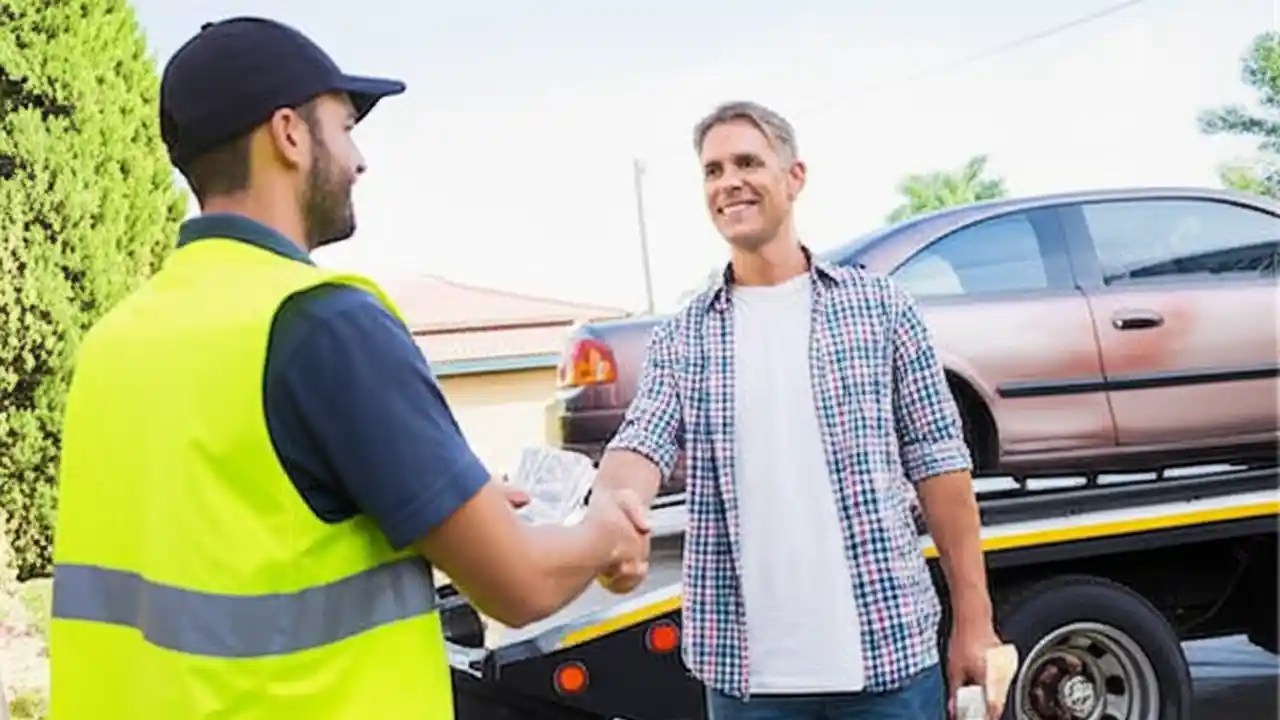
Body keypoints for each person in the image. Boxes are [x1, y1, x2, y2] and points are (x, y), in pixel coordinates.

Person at [47, 16, 648, 719]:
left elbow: (224, 530)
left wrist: (446, 498)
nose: (360, 159)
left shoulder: (116, 341)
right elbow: (518, 585)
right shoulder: (322, 323)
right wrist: (607, 526)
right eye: (345, 125)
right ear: (289, 135)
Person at [589, 100, 1006, 720]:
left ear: (794, 177)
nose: (728, 181)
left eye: (747, 162)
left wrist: (975, 621)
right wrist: (612, 511)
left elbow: (940, 465)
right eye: (712, 170)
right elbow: (640, 444)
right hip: (748, 682)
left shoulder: (880, 309)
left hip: (889, 660)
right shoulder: (683, 337)